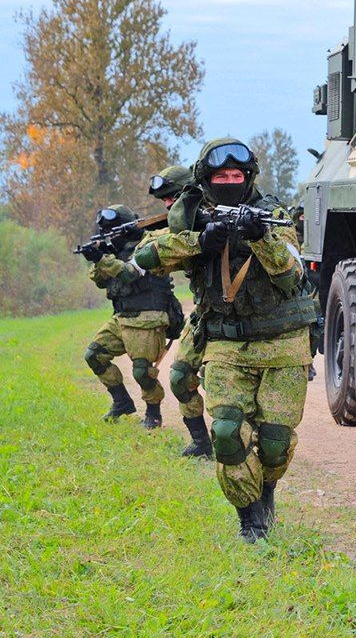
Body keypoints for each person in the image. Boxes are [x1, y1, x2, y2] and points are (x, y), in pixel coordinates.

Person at [134, 139, 318, 541]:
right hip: (225, 344)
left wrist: (259, 238)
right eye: (222, 176)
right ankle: (250, 520)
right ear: (208, 179)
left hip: (283, 343)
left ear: (248, 178)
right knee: (227, 432)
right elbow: (145, 257)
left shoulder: (272, 214)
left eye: (238, 176)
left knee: (274, 442)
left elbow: (291, 271)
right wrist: (202, 240)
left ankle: (264, 491)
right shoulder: (193, 218)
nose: (231, 182)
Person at [81, 205, 179, 428]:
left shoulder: (147, 245)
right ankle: (122, 402)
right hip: (121, 317)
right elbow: (100, 281)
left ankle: (153, 414)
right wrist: (99, 257)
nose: (110, 236)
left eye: (113, 231)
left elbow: (130, 274)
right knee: (94, 355)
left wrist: (104, 259)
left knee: (142, 371)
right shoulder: (113, 252)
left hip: (148, 317)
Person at [148, 164, 212, 458]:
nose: (169, 206)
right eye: (164, 202)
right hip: (205, 315)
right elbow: (151, 253)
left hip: (244, 318)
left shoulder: (221, 213)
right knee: (179, 377)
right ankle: (201, 443)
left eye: (173, 198)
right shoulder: (181, 226)